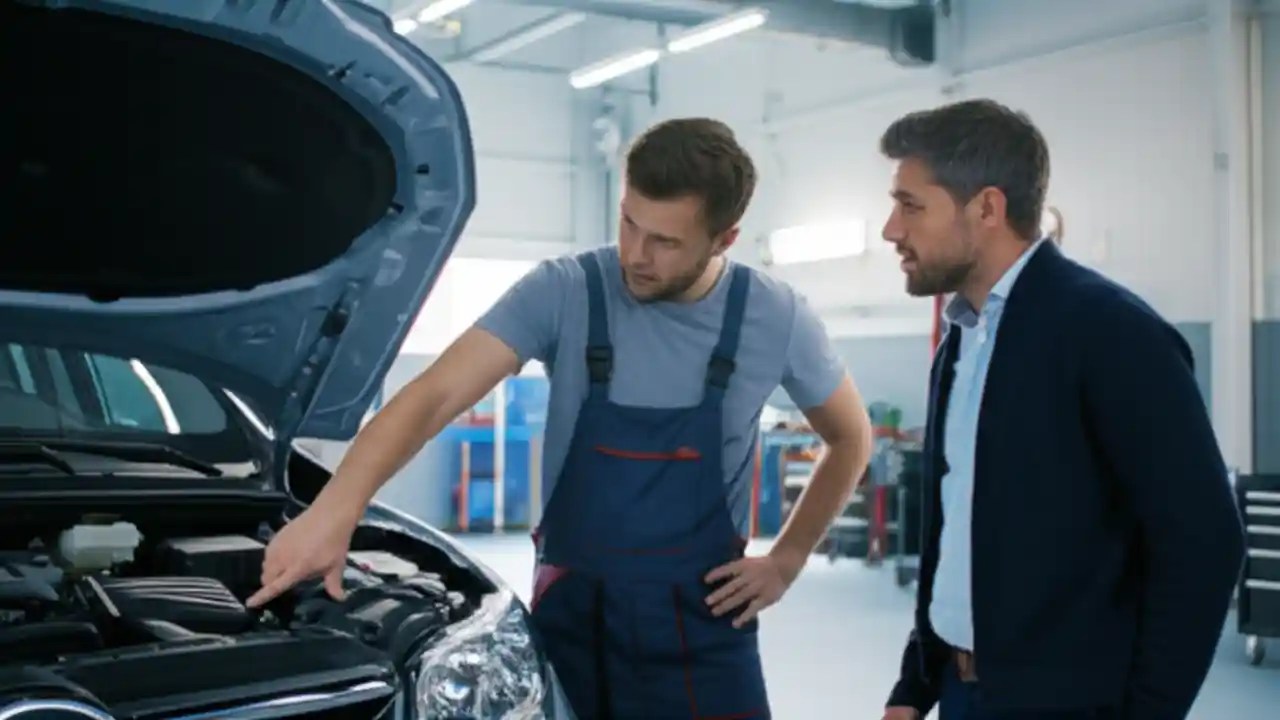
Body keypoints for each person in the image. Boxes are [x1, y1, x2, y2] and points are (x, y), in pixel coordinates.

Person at [247, 117, 874, 719]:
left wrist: (788, 560)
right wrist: (337, 509)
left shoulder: (775, 316)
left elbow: (850, 437)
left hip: (704, 627)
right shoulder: (566, 292)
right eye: (629, 222)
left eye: (665, 241)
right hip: (575, 621)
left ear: (724, 239)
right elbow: (434, 395)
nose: (635, 253)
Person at [876, 99, 1245, 720]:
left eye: (911, 205)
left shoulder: (1111, 332)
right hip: (962, 693)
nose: (892, 229)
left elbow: (1204, 543)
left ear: (987, 208)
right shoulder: (962, 339)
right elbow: (958, 527)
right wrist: (916, 683)